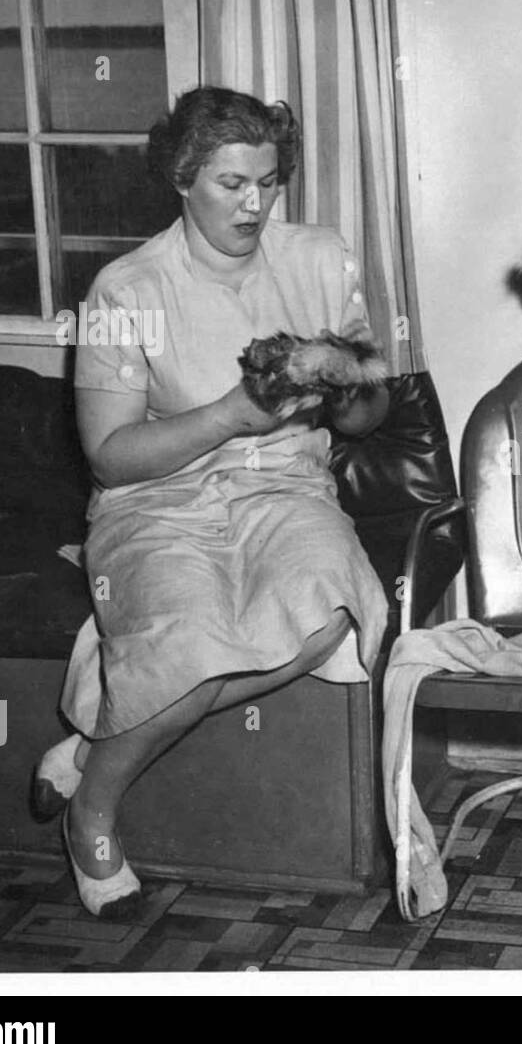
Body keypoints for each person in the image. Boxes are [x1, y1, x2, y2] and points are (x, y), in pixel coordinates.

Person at [31, 87, 391, 919]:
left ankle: (94, 742)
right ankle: (94, 812)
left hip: (286, 485)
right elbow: (110, 455)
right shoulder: (125, 289)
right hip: (155, 503)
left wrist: (343, 395)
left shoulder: (320, 258)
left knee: (325, 614)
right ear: (182, 177)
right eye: (231, 184)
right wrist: (230, 413)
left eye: (267, 181)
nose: (255, 203)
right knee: (192, 642)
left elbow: (375, 409)